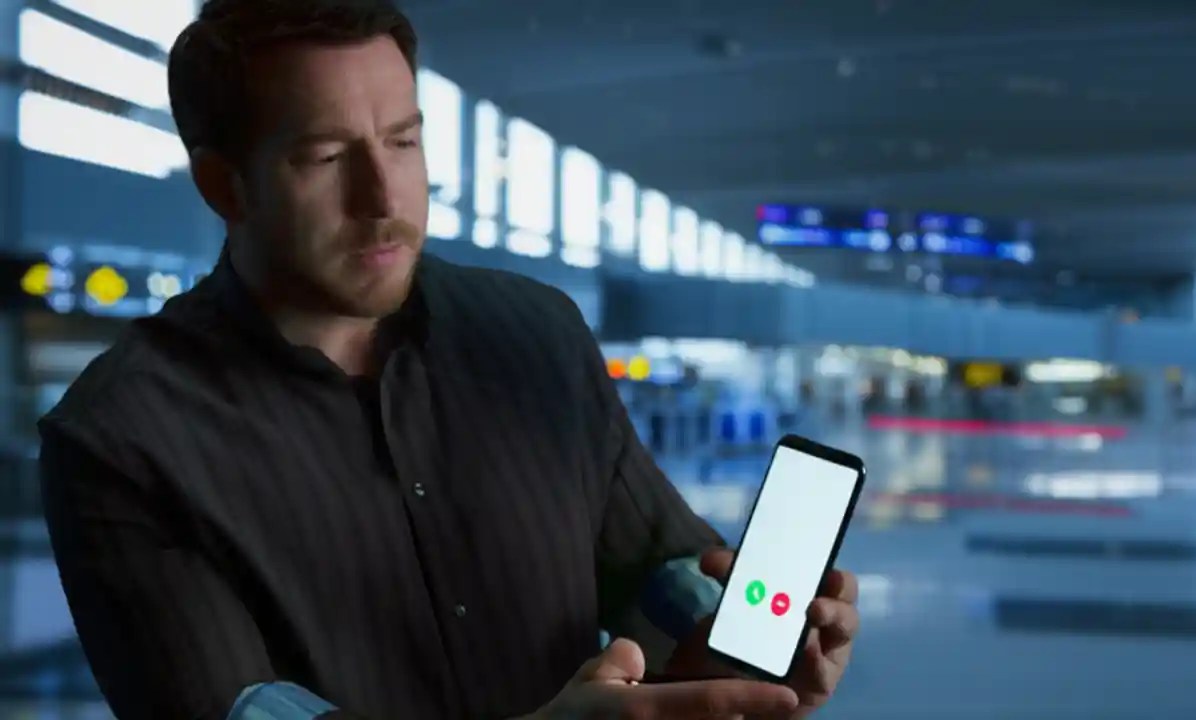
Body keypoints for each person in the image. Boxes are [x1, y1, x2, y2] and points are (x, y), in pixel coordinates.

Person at [37, 1, 859, 718]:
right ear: (224, 186)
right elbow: (235, 709)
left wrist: (745, 651)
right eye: (326, 159)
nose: (384, 200)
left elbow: (657, 565)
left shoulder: (535, 331)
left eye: (402, 141)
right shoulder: (123, 437)